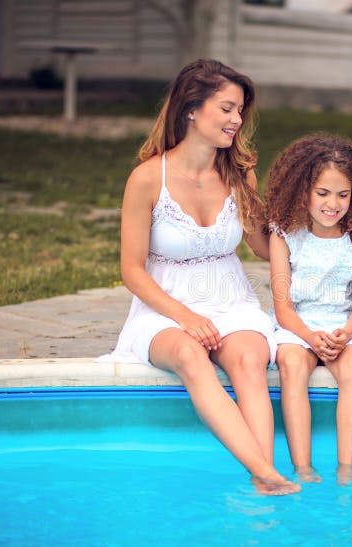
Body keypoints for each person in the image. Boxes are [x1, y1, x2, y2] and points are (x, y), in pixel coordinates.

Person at [104, 59, 299, 496]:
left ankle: (261, 476)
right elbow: (131, 270)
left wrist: (307, 230)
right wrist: (185, 318)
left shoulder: (238, 171)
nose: (236, 120)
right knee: (192, 358)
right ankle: (266, 473)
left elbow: (261, 246)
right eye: (227, 109)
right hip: (164, 306)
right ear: (191, 108)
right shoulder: (147, 179)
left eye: (240, 112)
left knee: (250, 361)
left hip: (232, 301)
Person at [265, 133, 352, 485]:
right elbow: (283, 306)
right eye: (323, 193)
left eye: (342, 194)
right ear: (303, 190)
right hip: (297, 326)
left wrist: (345, 335)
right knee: (291, 365)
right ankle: (302, 466)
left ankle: (347, 467)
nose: (332, 203)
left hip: (343, 327)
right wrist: (308, 337)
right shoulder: (284, 233)